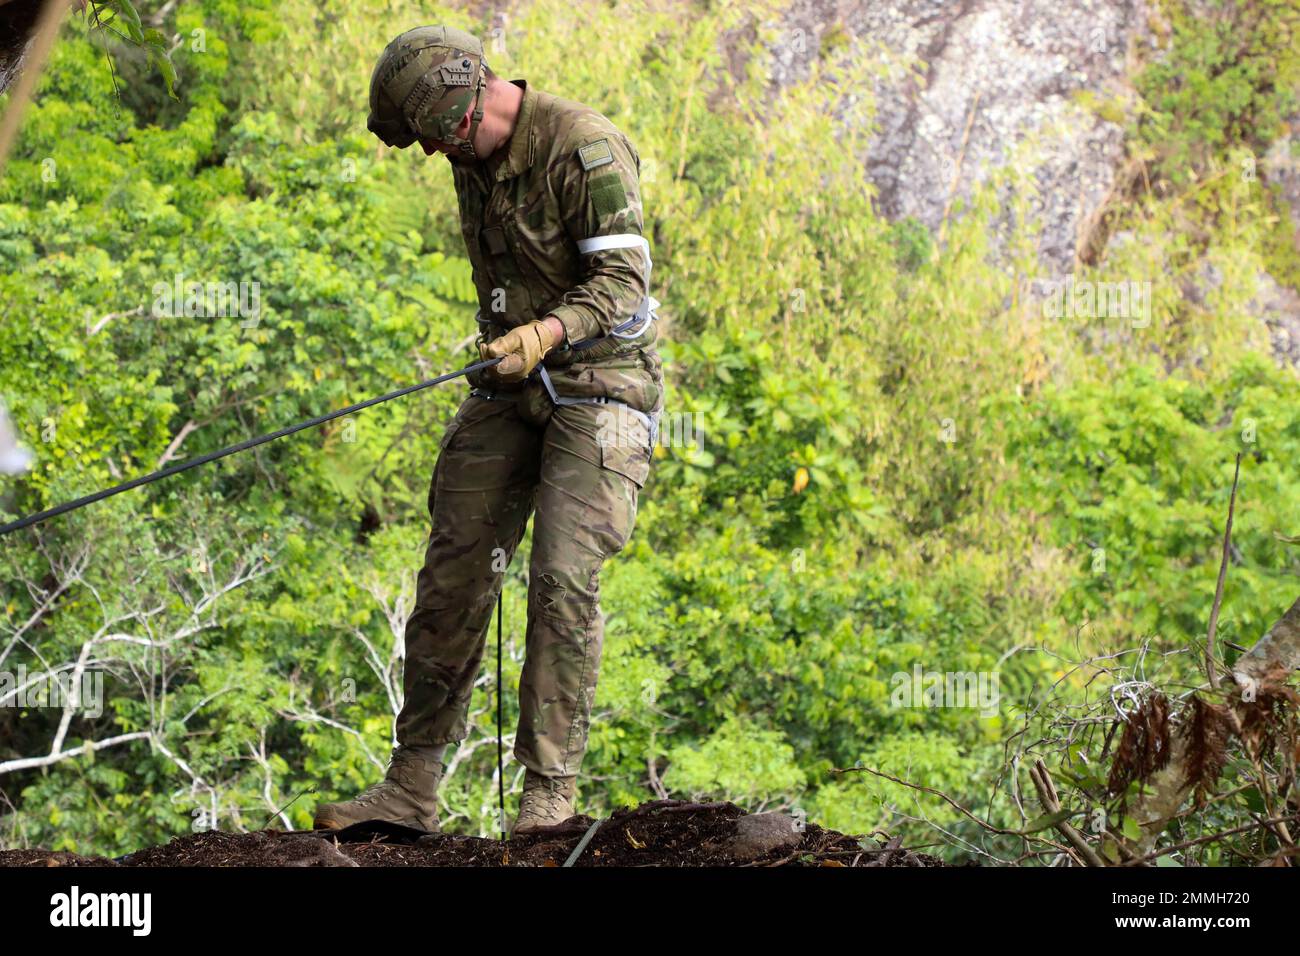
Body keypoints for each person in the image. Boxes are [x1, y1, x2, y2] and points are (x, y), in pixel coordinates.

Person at [315, 25, 663, 836]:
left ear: (476, 100)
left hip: (603, 385)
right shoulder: (472, 158)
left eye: (441, 137)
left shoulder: (585, 148)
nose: (438, 156)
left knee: (561, 579)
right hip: (513, 386)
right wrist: (509, 346)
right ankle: (412, 785)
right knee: (453, 570)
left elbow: (625, 281)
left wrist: (544, 334)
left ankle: (548, 796)